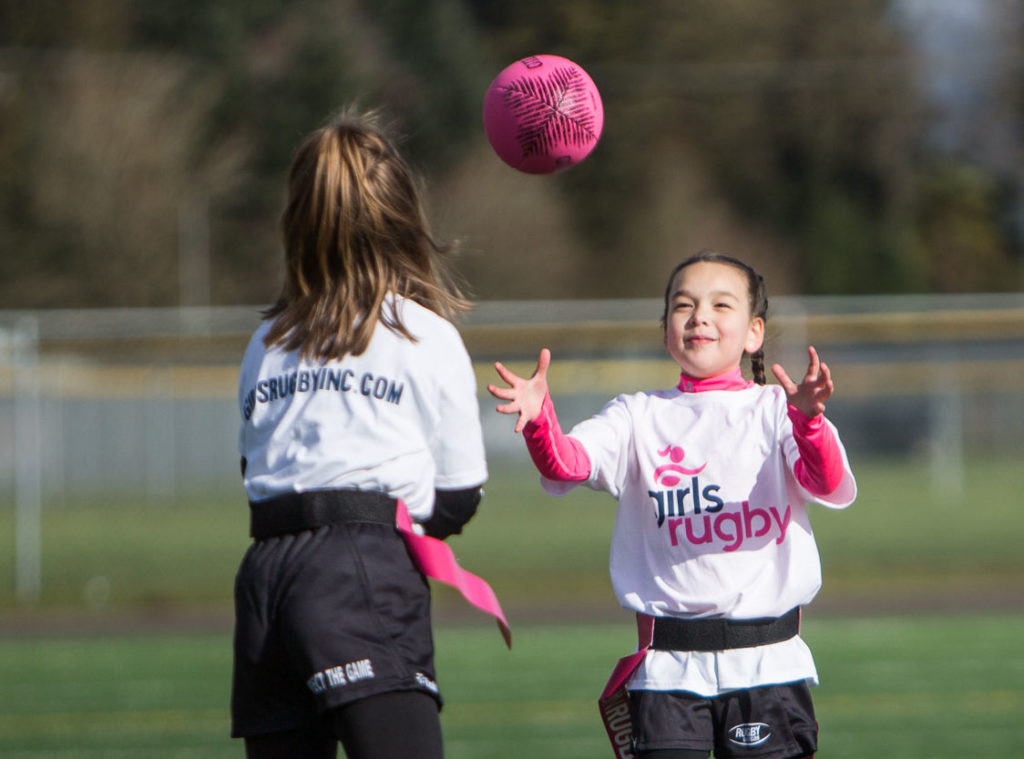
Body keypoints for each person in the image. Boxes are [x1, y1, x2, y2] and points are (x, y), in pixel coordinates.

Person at [488, 251, 856, 759]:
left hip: (769, 667)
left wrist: (810, 423)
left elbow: (825, 479)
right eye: (684, 305)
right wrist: (539, 422)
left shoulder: (778, 411)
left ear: (754, 332)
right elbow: (568, 464)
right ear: (666, 330)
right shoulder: (637, 415)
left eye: (720, 305)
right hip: (667, 671)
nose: (699, 316)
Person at [232, 109, 497, 759]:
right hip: (361, 571)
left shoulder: (265, 341)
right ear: (402, 215)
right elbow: (460, 493)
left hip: (265, 576)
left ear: (298, 219)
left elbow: (254, 468)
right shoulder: (423, 332)